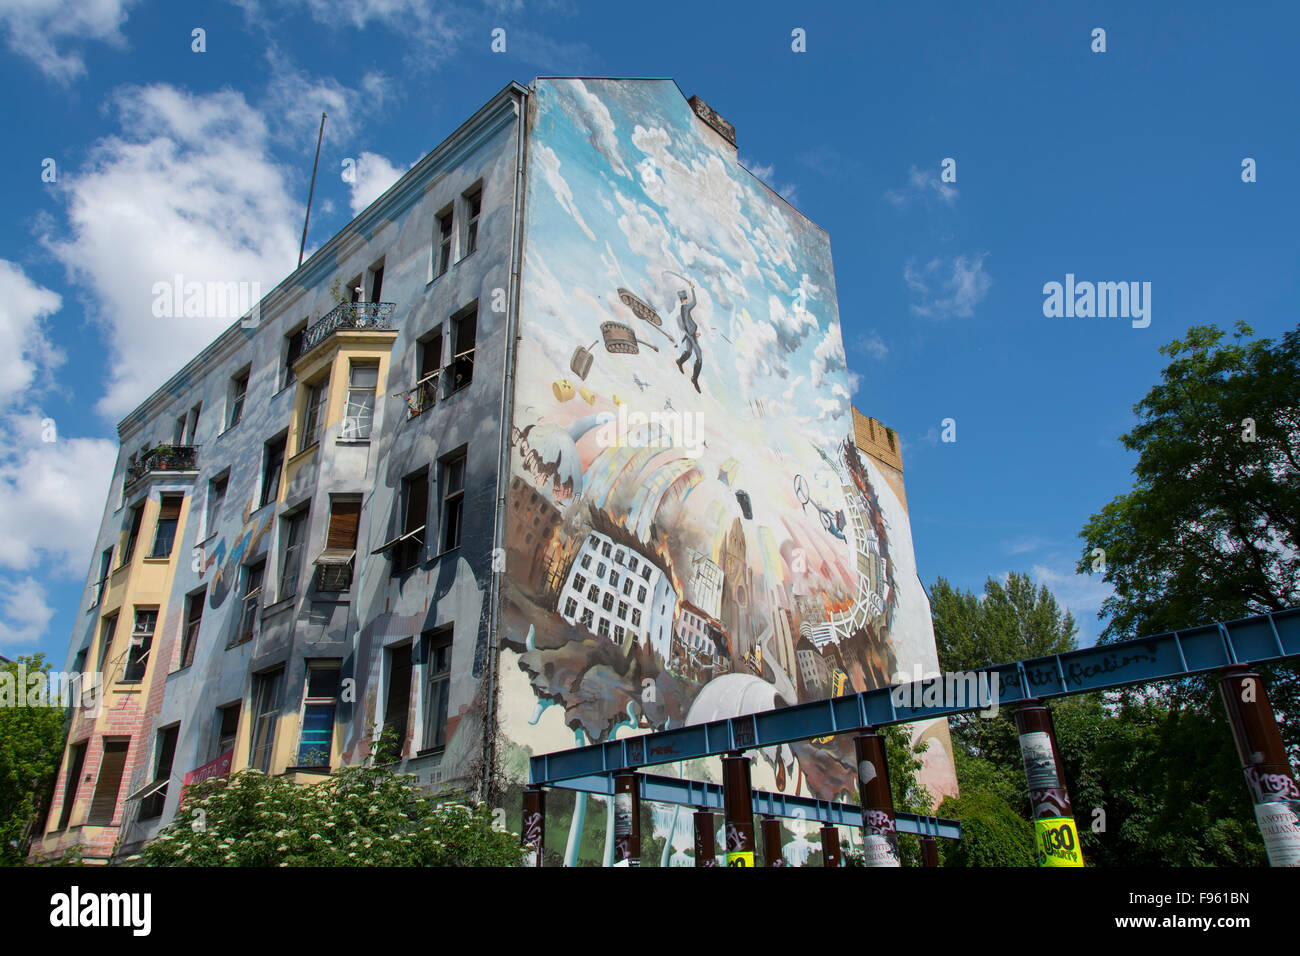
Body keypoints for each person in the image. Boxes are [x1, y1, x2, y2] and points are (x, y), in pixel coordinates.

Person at [674, 282, 703, 392]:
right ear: (683, 300)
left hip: (691, 335)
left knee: (689, 352)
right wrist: (692, 289)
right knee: (699, 356)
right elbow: (695, 302)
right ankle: (694, 378)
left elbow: (687, 324)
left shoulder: (683, 310)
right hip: (691, 336)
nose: (686, 300)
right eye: (685, 299)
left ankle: (679, 361)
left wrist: (693, 333)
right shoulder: (685, 308)